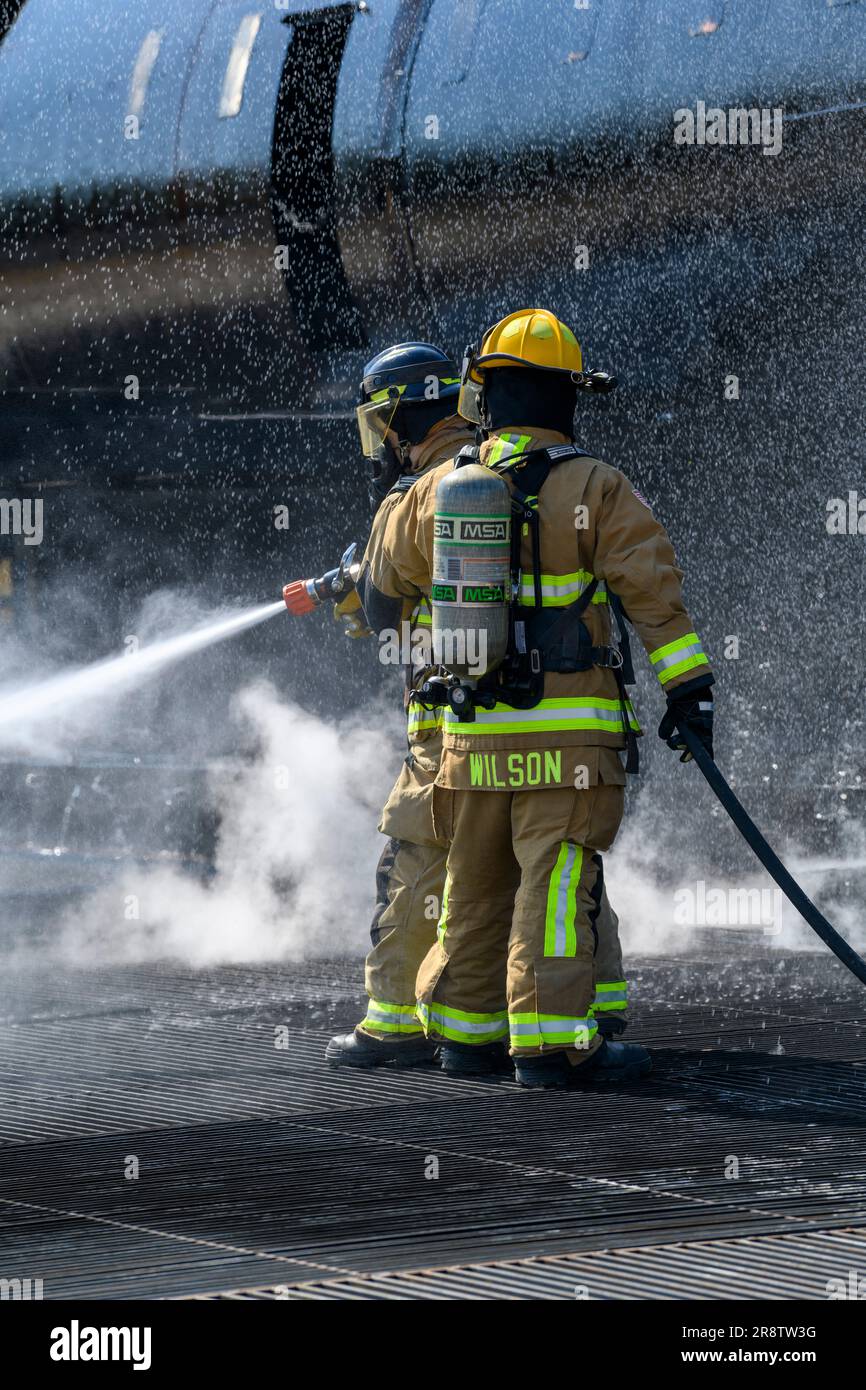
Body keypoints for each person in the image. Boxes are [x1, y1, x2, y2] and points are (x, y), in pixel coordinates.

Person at [367, 309, 714, 1087]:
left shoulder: (444, 492)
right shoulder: (594, 485)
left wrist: (391, 494)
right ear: (567, 398)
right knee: (554, 890)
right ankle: (553, 1044)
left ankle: (463, 1036)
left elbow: (383, 581)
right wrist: (692, 695)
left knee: (474, 888)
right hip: (567, 751)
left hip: (468, 743)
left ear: (485, 395)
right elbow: (655, 599)